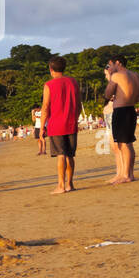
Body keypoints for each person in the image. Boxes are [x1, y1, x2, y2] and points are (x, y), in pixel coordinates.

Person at [104, 54, 139, 184]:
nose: (110, 67)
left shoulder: (117, 76)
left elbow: (107, 93)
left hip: (121, 111)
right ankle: (129, 173)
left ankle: (126, 175)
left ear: (117, 63)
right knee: (128, 142)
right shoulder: (136, 75)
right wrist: (131, 98)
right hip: (131, 110)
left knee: (123, 144)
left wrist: (111, 75)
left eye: (110, 65)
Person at [40, 55, 81, 194]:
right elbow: (79, 105)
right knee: (70, 155)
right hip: (71, 123)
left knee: (61, 155)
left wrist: (41, 128)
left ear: (51, 69)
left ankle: (61, 185)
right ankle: (70, 184)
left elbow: (45, 108)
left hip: (56, 125)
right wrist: (75, 118)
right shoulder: (73, 82)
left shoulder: (49, 85)